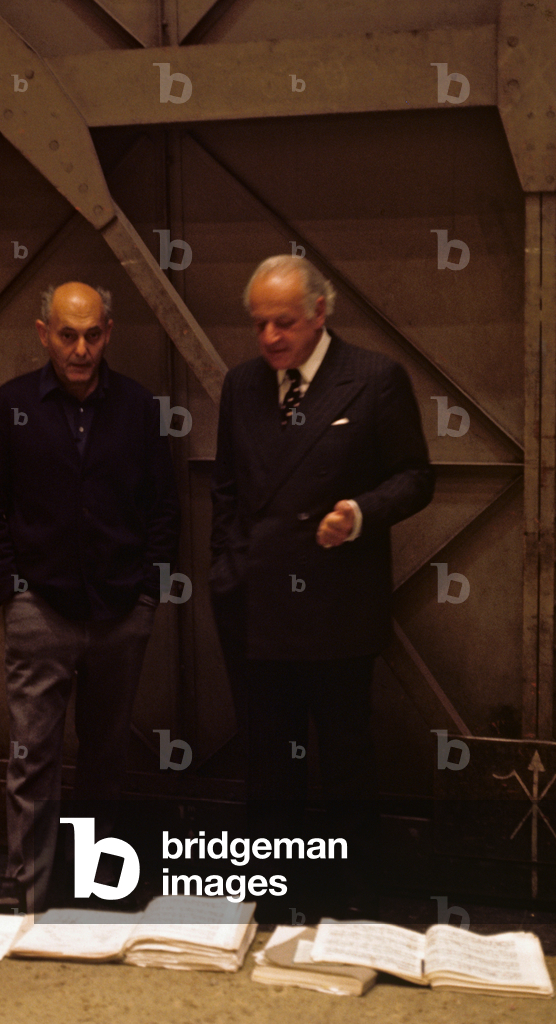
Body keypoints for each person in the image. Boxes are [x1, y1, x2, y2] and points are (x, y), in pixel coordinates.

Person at [210, 255, 434, 920]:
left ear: (320, 313)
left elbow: (416, 477)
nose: (271, 338)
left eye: (284, 323)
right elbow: (226, 489)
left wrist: (359, 513)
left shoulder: (374, 379)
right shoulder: (242, 385)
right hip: (257, 610)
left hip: (337, 608)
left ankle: (354, 906)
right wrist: (229, 566)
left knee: (345, 767)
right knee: (269, 771)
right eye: (259, 325)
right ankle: (271, 902)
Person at [0, 281, 180, 912]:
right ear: (44, 334)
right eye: (67, 334)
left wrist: (148, 591)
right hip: (41, 612)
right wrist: (12, 591)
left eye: (92, 334)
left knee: (105, 764)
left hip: (121, 614)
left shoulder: (140, 408)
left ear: (109, 332)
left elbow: (162, 507)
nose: (80, 348)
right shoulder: (9, 407)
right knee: (33, 761)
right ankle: (27, 902)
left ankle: (93, 893)